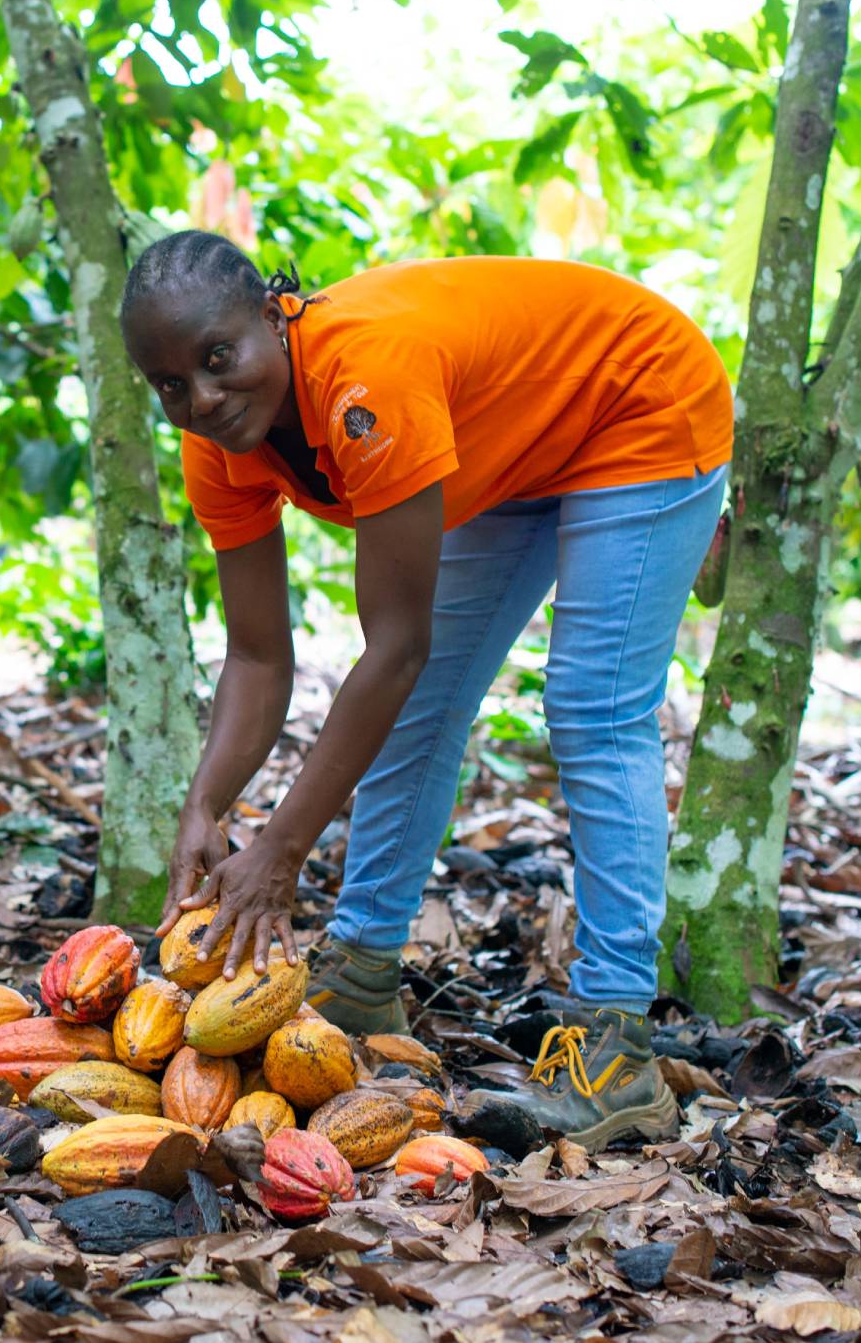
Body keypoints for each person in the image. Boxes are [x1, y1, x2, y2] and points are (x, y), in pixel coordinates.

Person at [118, 233, 732, 1150]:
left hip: (636, 397)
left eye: (218, 359)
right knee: (421, 710)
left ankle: (618, 1047)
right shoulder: (217, 443)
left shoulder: (366, 383)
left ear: (273, 316)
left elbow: (394, 648)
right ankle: (362, 972)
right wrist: (206, 804)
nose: (202, 399)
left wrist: (282, 851)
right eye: (172, 385)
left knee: (592, 708)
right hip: (513, 446)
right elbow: (256, 657)